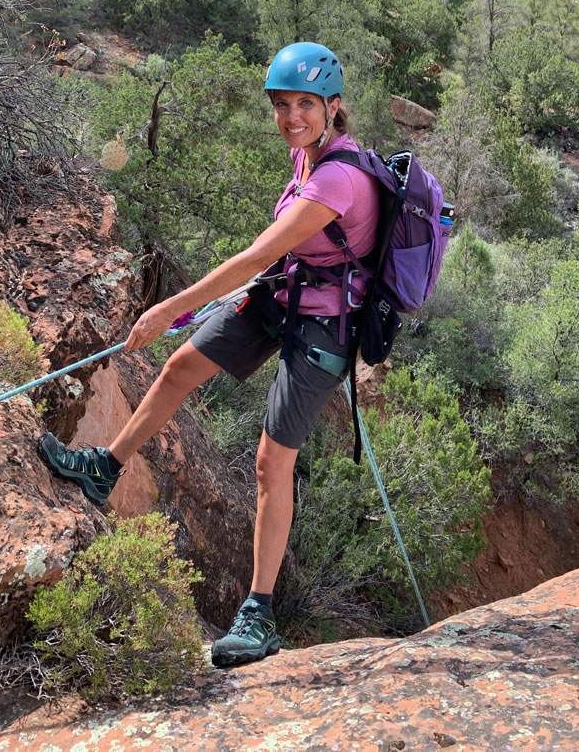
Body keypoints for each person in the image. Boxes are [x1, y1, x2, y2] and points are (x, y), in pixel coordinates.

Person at [37, 41, 380, 668]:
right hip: (287, 294)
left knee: (271, 461)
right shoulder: (308, 158)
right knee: (180, 367)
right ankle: (104, 469)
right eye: (282, 105)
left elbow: (255, 257)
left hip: (324, 325)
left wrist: (169, 307)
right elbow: (276, 261)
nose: (291, 117)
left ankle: (259, 615)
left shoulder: (337, 176)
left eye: (305, 104)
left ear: (334, 106)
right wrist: (192, 318)